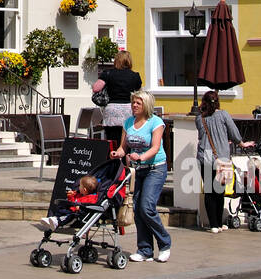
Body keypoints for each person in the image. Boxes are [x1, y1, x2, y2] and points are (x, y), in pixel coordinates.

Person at [109, 91, 170, 262]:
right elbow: (123, 148)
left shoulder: (156, 122)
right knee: (137, 209)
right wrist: (117, 153)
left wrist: (141, 157)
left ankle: (164, 243)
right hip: (137, 171)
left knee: (147, 207)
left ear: (146, 105)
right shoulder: (128, 123)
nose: (134, 105)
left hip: (155, 168)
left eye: (138, 103)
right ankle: (145, 250)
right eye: (133, 102)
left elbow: (156, 147)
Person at [195, 90, 255, 232]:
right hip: (222, 158)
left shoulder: (199, 118)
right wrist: (241, 143)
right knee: (220, 191)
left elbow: (202, 135)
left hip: (205, 158)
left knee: (209, 191)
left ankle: (213, 225)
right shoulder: (223, 114)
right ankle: (220, 223)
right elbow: (233, 132)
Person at [92, 49, 142, 130]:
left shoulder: (108, 73)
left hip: (112, 108)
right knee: (127, 136)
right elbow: (139, 92)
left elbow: (96, 88)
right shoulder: (135, 76)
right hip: (128, 109)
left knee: (111, 137)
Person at [32, 175, 99, 232]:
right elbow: (73, 201)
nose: (78, 188)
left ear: (84, 190)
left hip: (78, 213)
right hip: (72, 208)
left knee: (69, 215)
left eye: (80, 186)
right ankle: (54, 219)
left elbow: (87, 207)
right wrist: (71, 196)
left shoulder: (91, 198)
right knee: (62, 207)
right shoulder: (79, 194)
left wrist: (80, 208)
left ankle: (57, 222)